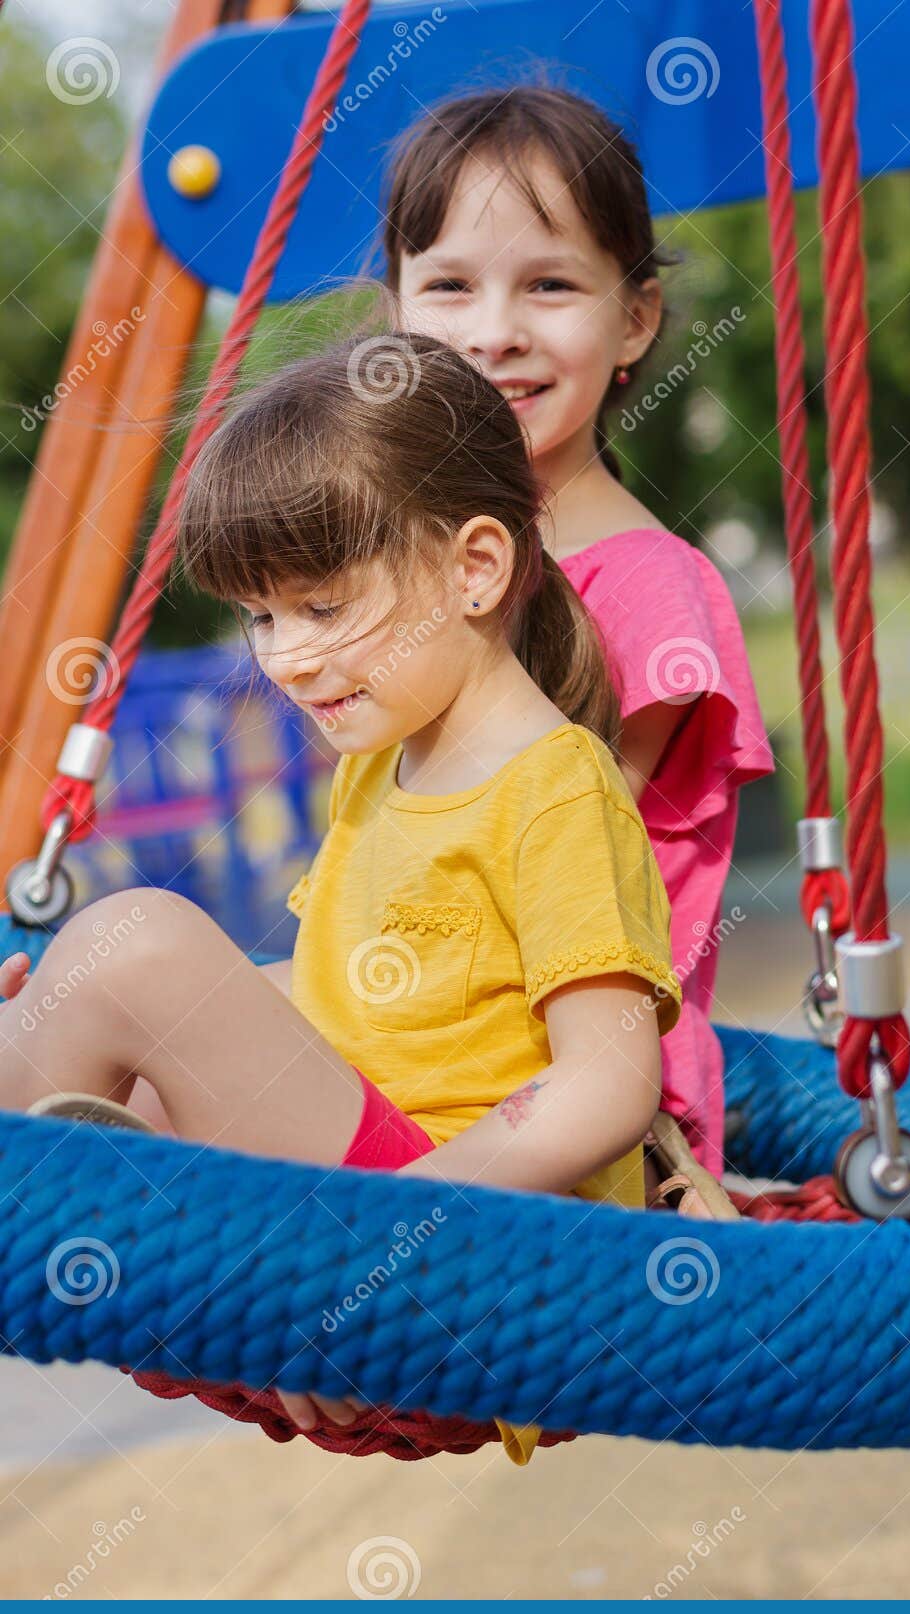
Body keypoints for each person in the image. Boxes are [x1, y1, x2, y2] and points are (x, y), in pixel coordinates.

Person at [0, 331, 681, 1466]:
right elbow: (333, 993)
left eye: (321, 608)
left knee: (135, 939)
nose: (285, 659)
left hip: (477, 1271)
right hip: (371, 1207)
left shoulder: (557, 789)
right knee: (106, 996)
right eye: (262, 617)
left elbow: (607, 1087)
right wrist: (71, 1013)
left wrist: (368, 1243)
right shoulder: (383, 759)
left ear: (473, 569)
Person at [382, 86, 774, 1177]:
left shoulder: (649, 592)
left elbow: (529, 862)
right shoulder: (399, 572)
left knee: (152, 969)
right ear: (396, 316)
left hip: (561, 1100)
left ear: (635, 319)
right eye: (449, 285)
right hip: (419, 1035)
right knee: (136, 990)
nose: (494, 331)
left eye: (549, 285)